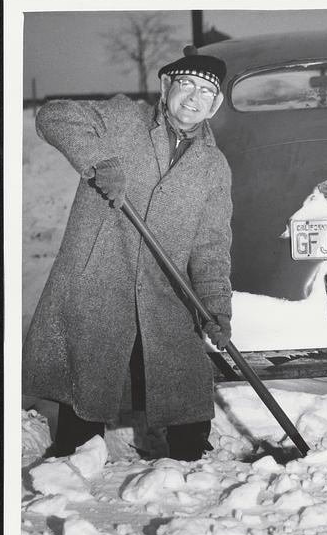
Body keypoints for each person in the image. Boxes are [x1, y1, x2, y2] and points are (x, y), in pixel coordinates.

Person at [23, 48, 234, 461]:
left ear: (215, 104)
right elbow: (51, 116)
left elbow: (211, 247)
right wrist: (99, 161)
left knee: (183, 379)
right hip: (100, 276)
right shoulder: (124, 121)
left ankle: (190, 464)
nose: (193, 98)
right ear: (166, 86)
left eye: (206, 91)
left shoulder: (214, 167)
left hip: (165, 287)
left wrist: (217, 310)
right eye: (186, 84)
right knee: (87, 382)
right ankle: (75, 462)